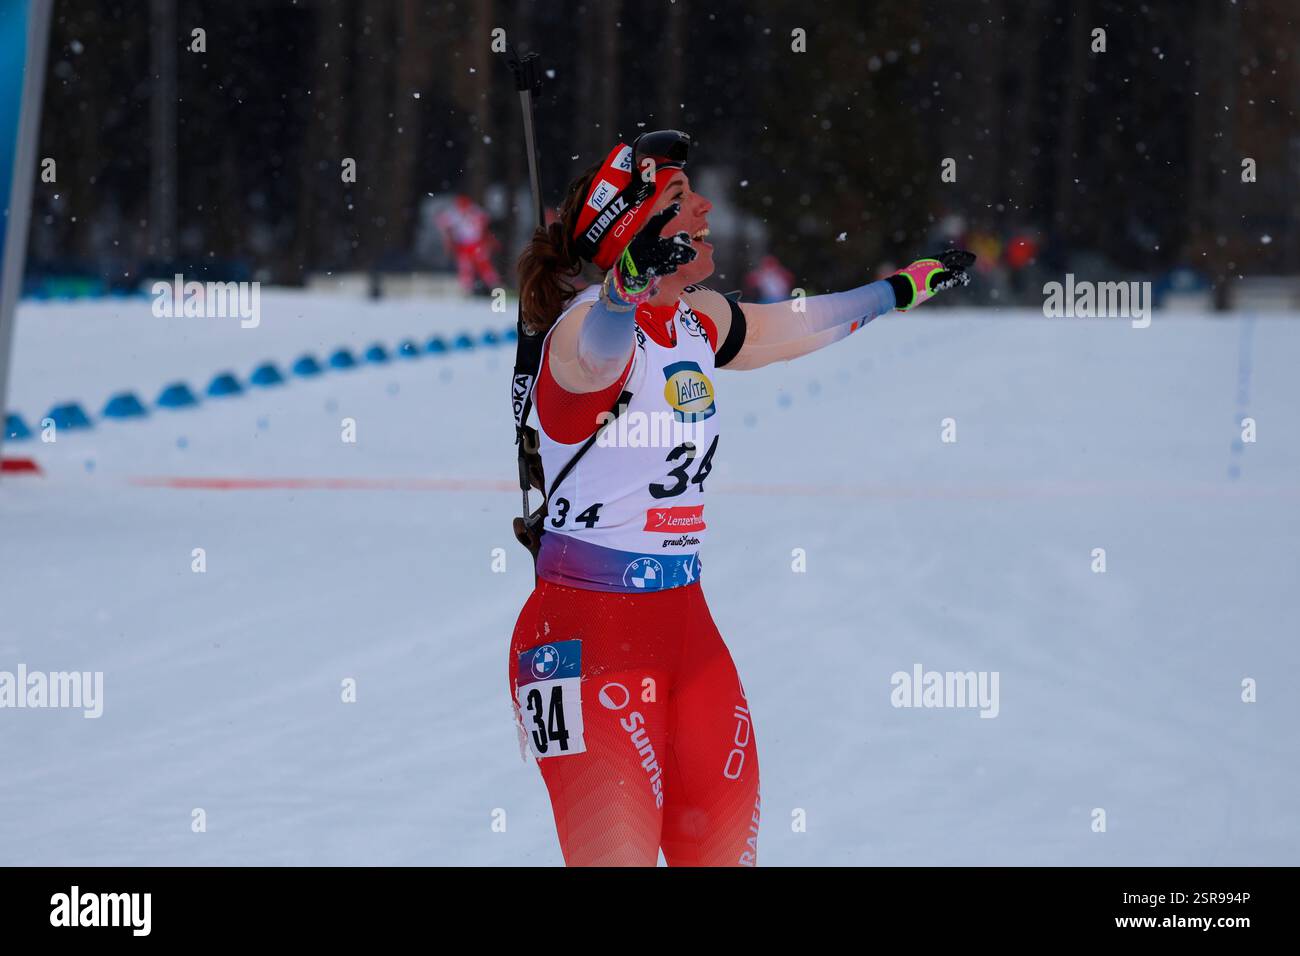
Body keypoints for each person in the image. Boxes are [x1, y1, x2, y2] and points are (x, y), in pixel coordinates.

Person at [510, 130, 974, 866]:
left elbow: (796, 327)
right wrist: (621, 293)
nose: (703, 206)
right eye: (676, 198)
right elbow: (596, 357)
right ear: (632, 232)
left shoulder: (698, 320)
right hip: (583, 640)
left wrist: (898, 288)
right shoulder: (578, 334)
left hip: (685, 628)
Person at [436, 194, 501, 294]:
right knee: (465, 267)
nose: (463, 211)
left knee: (484, 265)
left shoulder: (475, 212)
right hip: (463, 246)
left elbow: (486, 221)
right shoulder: (455, 214)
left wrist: (488, 240)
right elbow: (442, 221)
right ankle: (466, 289)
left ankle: (496, 287)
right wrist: (448, 236)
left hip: (477, 244)